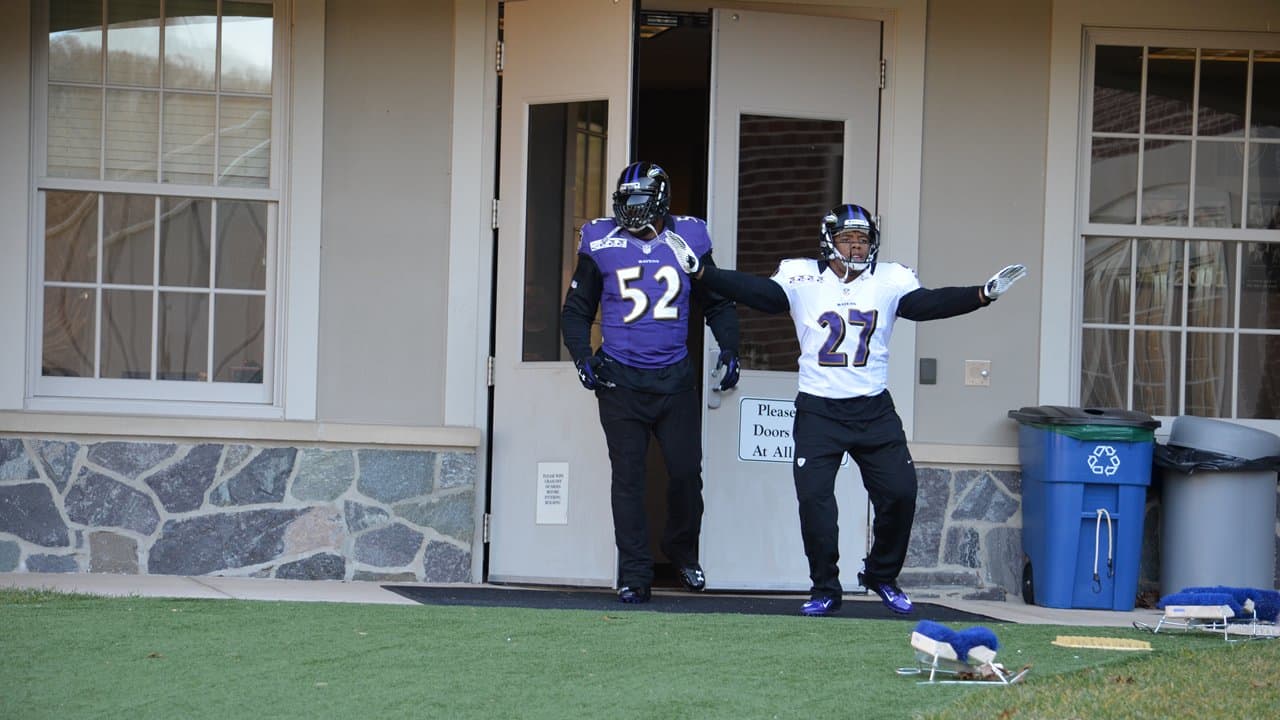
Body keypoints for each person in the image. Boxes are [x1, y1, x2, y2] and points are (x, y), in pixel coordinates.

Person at [666, 203, 1027, 616]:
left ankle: (881, 575)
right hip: (819, 411)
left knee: (901, 494)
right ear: (829, 242)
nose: (856, 247)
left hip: (873, 409)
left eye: (863, 239)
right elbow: (760, 294)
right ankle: (825, 587)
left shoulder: (889, 279)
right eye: (847, 239)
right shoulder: (801, 276)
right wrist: (703, 273)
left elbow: (926, 304)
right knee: (816, 502)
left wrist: (981, 295)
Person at [561, 161, 741, 604]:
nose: (632, 209)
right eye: (626, 200)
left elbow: (717, 302)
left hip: (674, 378)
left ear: (661, 200)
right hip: (620, 379)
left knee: (685, 474)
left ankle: (681, 552)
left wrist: (730, 346)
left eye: (640, 199)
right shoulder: (601, 240)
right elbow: (576, 310)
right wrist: (583, 356)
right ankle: (635, 574)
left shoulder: (688, 237)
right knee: (628, 479)